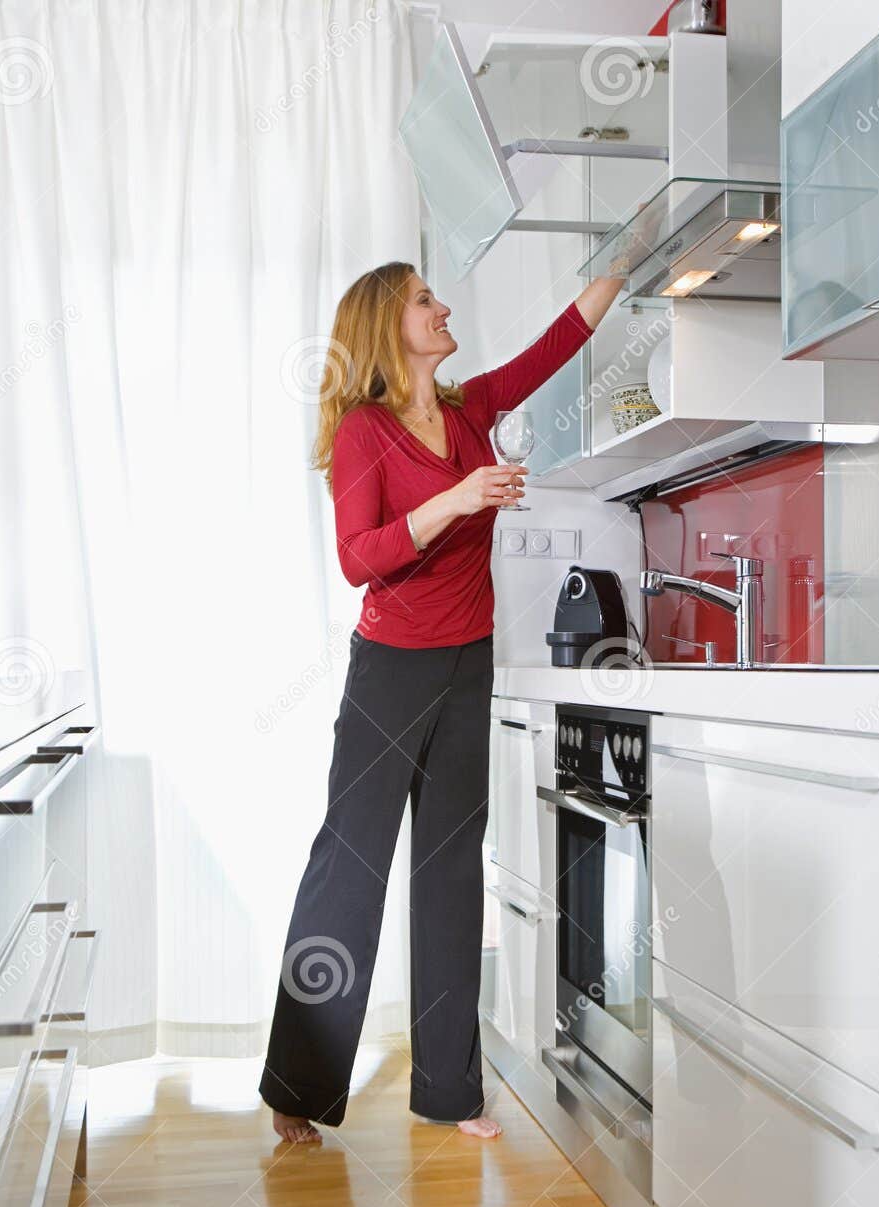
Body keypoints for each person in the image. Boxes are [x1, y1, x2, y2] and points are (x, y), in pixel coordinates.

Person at [260, 261, 623, 1146]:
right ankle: (295, 1088)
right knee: (351, 868)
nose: (444, 306)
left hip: (468, 665)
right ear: (392, 324)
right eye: (426, 299)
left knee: (453, 871)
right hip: (389, 668)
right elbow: (359, 557)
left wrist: (623, 262)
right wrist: (459, 498)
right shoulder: (362, 434)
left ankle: (451, 1090)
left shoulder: (468, 410)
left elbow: (553, 347)